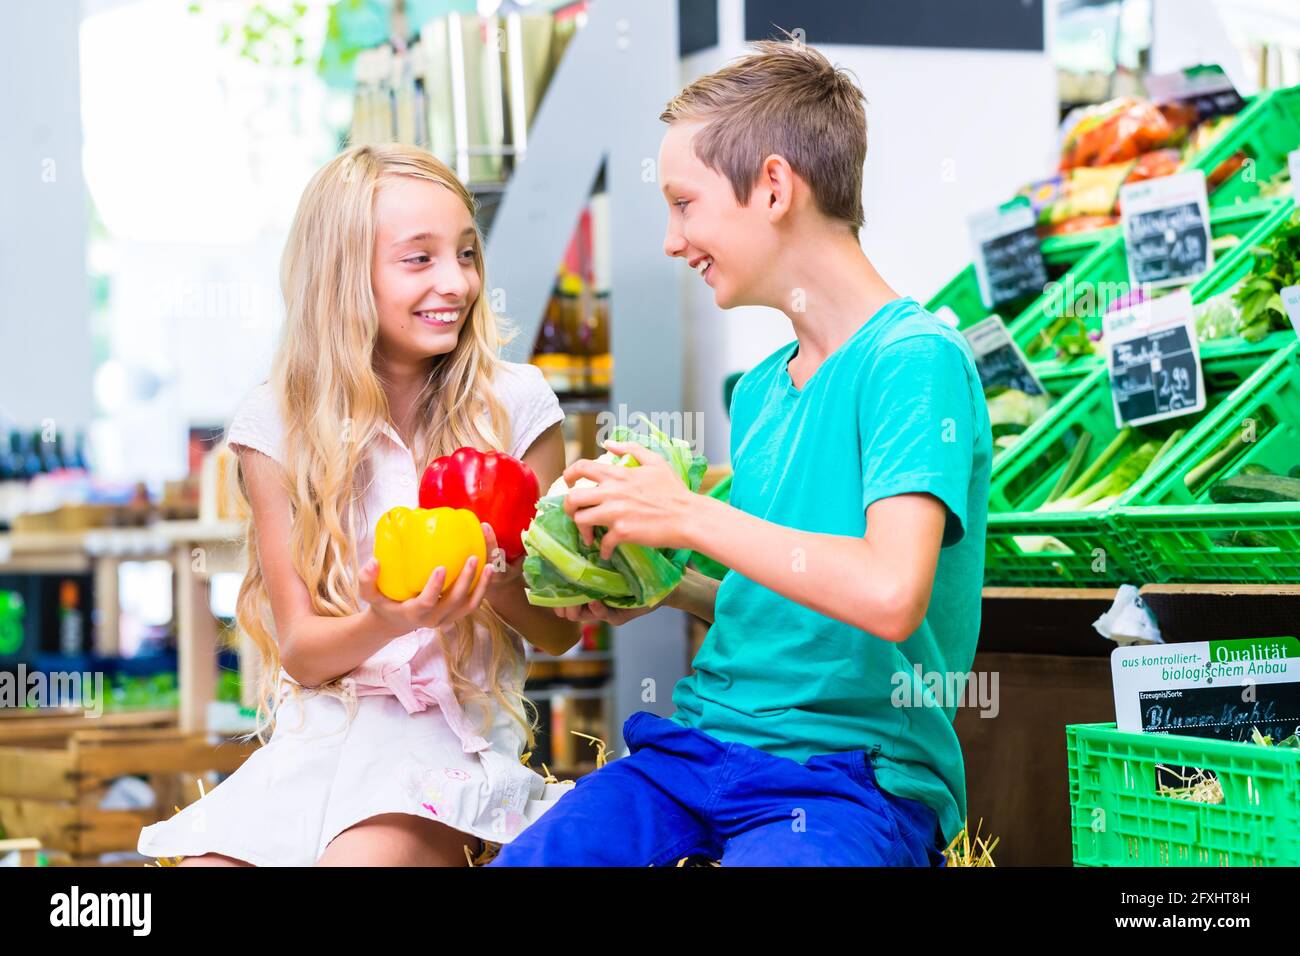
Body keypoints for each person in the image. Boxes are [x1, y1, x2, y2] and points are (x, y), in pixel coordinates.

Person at [490, 40, 992, 867]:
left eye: (684, 203)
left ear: (771, 186)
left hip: (849, 774)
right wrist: (666, 587)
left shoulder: (913, 360)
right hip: (698, 751)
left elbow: (890, 595)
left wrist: (686, 512)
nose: (670, 239)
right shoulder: (761, 391)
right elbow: (789, 605)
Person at [137, 143, 579, 867]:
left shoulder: (516, 406)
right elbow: (306, 654)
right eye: (420, 259)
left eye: (467, 254)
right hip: (320, 739)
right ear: (344, 277)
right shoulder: (277, 423)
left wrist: (497, 581)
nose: (457, 282)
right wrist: (387, 618)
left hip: (449, 741)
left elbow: (559, 633)